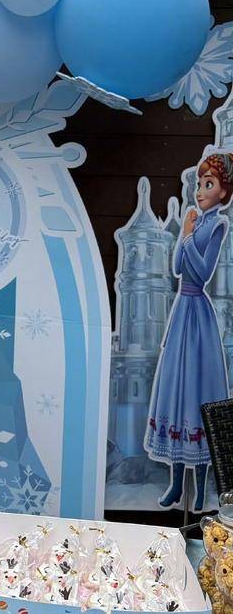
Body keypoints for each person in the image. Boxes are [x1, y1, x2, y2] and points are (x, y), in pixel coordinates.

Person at [145, 151, 232, 512]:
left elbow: (202, 271)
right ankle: (176, 484)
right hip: (182, 310)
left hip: (199, 315)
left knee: (199, 390)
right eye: (199, 184)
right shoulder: (194, 221)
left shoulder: (218, 225)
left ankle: (200, 488)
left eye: (208, 184)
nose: (200, 191)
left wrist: (188, 236)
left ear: (223, 192)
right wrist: (185, 233)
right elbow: (180, 268)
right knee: (178, 388)